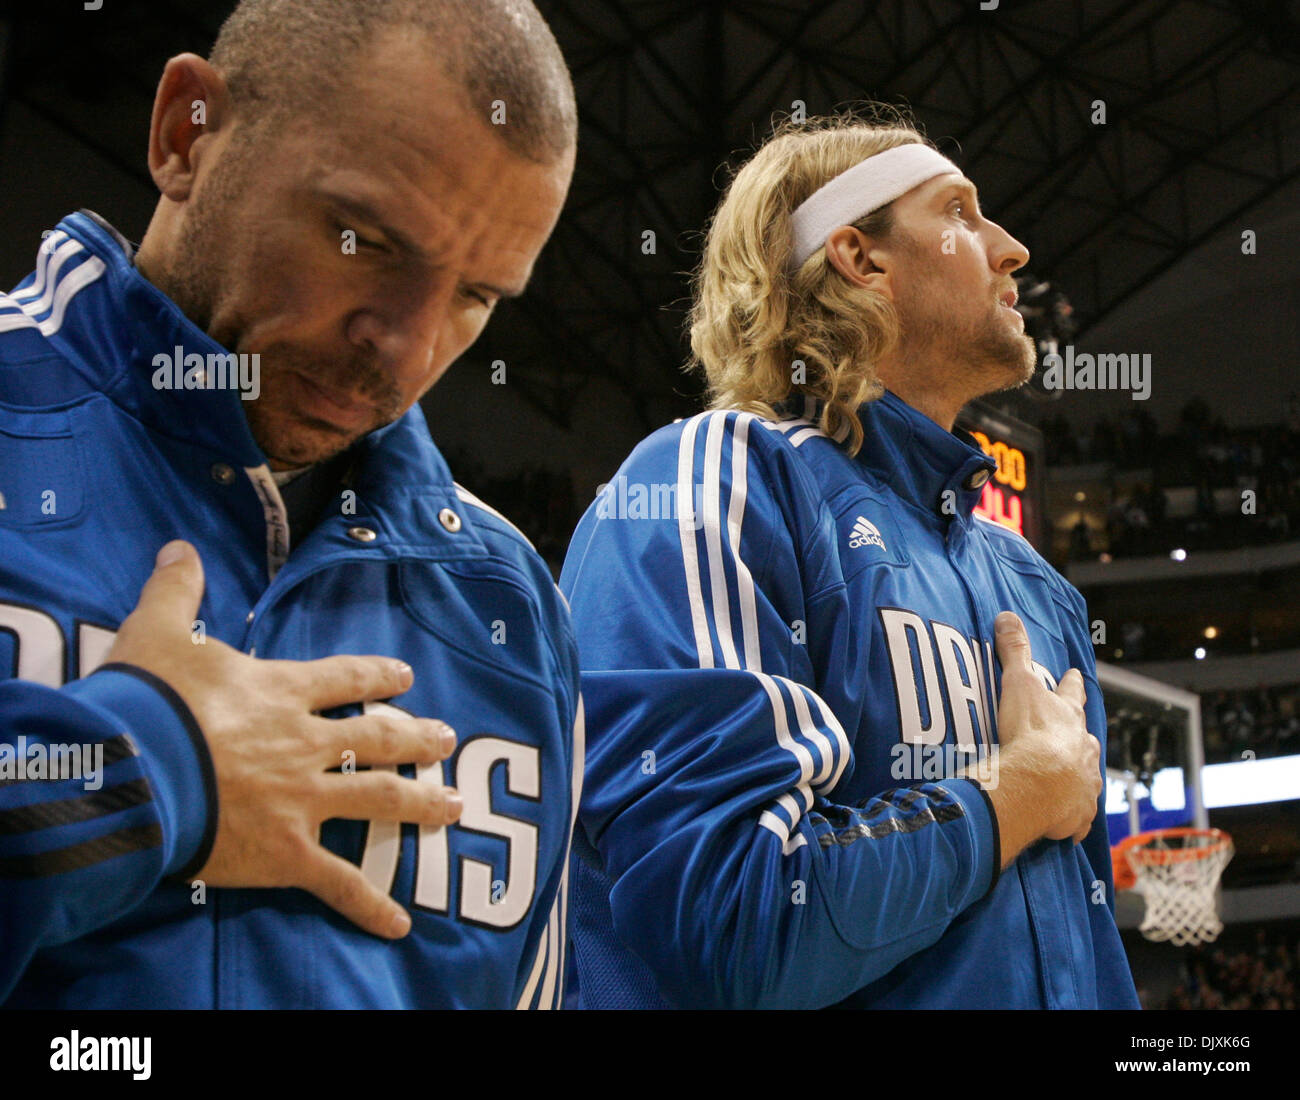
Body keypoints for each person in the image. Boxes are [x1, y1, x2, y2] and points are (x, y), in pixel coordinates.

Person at [0, 0, 581, 1009]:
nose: (407, 347)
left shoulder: (511, 605)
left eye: (476, 297)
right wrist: (141, 771)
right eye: (364, 239)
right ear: (187, 132)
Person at [559, 111, 1139, 1008]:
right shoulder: (717, 484)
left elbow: (1089, 944)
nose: (1013, 248)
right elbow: (733, 925)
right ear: (860, 260)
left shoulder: (1038, 589)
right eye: (961, 211)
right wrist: (1015, 796)